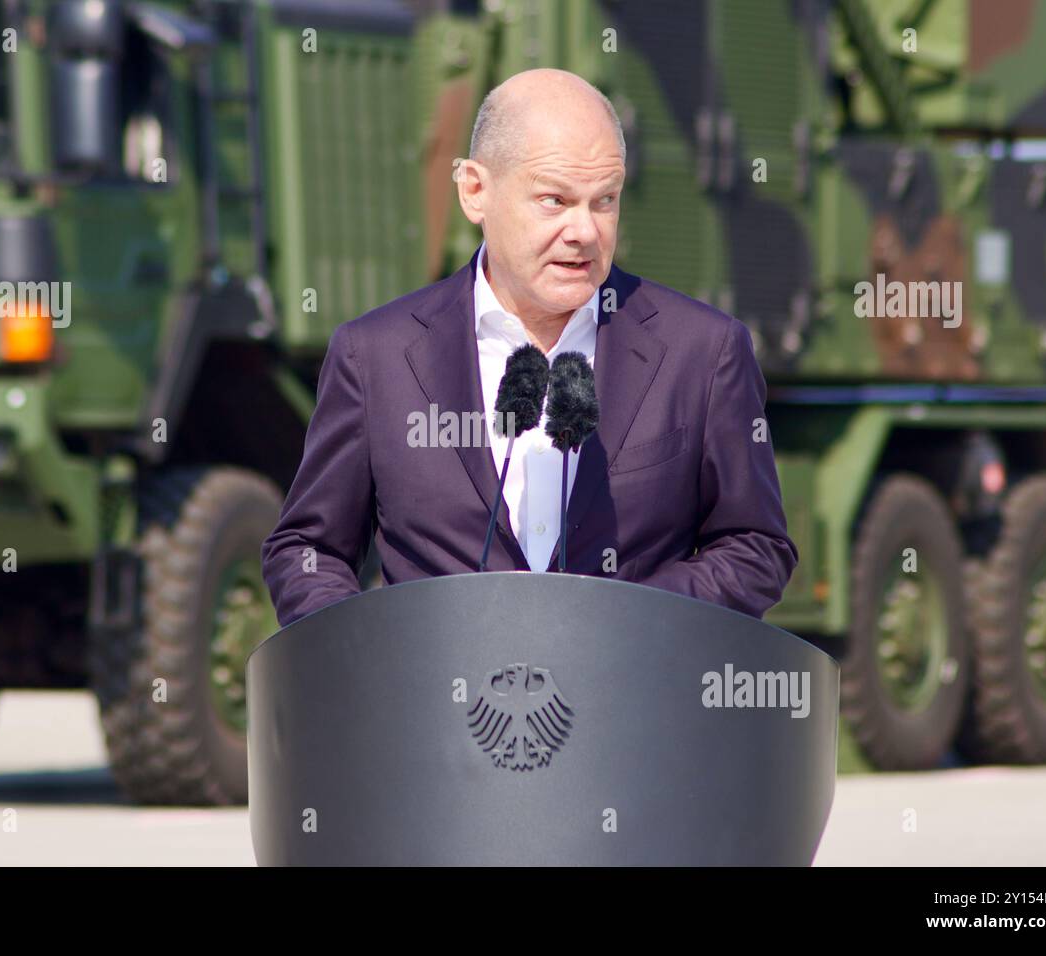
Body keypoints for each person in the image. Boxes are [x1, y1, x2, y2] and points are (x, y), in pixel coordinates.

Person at [262, 68, 797, 626]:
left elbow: (755, 547)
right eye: (554, 200)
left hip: (634, 702)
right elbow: (308, 550)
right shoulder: (374, 357)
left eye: (604, 200)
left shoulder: (704, 352)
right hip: (436, 706)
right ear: (475, 191)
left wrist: (630, 618)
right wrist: (362, 651)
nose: (584, 231)